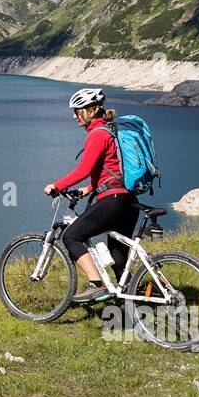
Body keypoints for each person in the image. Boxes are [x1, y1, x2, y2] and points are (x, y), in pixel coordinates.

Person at [43, 88, 139, 303]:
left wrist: (56, 185)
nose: (74, 116)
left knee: (71, 236)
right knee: (118, 256)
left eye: (77, 111)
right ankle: (133, 303)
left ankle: (97, 286)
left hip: (113, 201)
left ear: (91, 110)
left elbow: (83, 169)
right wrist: (89, 188)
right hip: (127, 201)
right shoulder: (109, 131)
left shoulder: (98, 134)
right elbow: (109, 169)